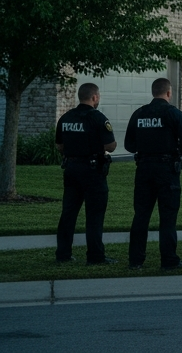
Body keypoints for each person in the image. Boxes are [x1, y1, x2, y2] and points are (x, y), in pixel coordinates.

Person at [125, 77, 182, 270]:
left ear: (153, 92)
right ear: (169, 93)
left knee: (141, 215)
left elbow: (129, 145)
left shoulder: (139, 113)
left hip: (144, 169)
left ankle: (136, 260)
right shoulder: (173, 113)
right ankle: (169, 260)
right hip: (167, 170)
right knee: (168, 217)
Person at [54, 83, 118, 265]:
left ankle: (63, 254)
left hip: (71, 170)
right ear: (95, 97)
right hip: (93, 171)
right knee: (94, 215)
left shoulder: (66, 118)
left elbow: (59, 146)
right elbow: (110, 146)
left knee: (68, 213)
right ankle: (95, 256)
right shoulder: (98, 118)